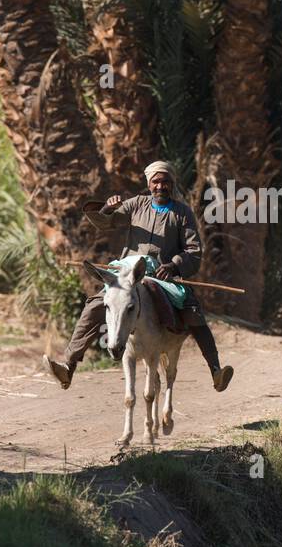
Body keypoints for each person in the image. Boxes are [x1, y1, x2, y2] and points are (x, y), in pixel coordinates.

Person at [43, 161, 235, 393]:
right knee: (94, 305)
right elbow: (105, 223)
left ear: (171, 183)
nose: (160, 186)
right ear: (149, 183)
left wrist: (173, 266)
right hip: (127, 272)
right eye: (155, 181)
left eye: (164, 181)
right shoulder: (136, 205)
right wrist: (107, 208)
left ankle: (215, 370)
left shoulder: (182, 213)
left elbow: (193, 252)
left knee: (193, 312)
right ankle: (68, 365)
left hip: (162, 276)